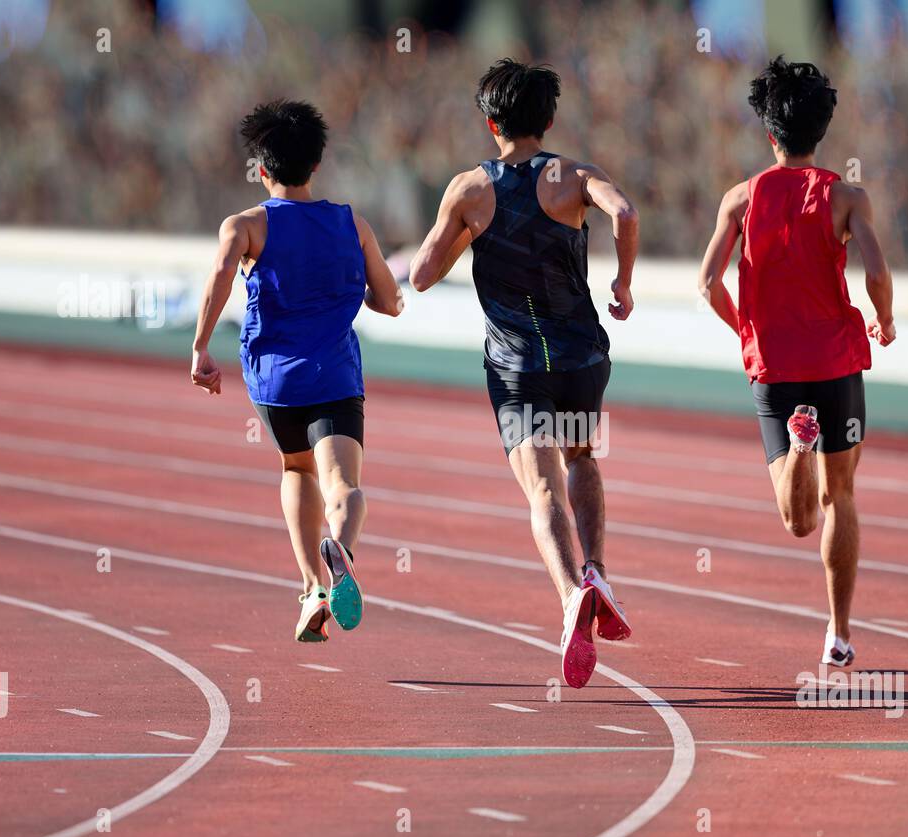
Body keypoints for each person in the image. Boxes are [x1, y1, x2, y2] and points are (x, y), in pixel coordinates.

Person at [408, 59, 638, 688]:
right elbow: (625, 213)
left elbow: (421, 276)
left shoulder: (469, 190)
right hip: (581, 356)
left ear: (490, 123)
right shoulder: (574, 176)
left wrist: (469, 233)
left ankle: (570, 596)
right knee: (582, 461)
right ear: (550, 119)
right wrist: (622, 281)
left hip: (514, 366)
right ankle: (595, 570)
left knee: (542, 491)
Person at [698, 56, 896, 667]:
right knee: (842, 498)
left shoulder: (741, 198)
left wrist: (747, 333)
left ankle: (798, 443)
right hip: (836, 362)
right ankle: (838, 632)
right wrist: (884, 320)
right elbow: (878, 271)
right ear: (822, 130)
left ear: (769, 133)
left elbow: (707, 283)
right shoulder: (846, 197)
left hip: (775, 368)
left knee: (797, 521)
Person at [190, 99, 403, 641]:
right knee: (343, 483)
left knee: (295, 469)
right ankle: (341, 547)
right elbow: (387, 299)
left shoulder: (244, 226)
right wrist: (387, 299)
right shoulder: (350, 222)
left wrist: (200, 348)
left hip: (275, 380)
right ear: (317, 164)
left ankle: (313, 586)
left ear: (262, 171)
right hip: (333, 375)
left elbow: (219, 275)